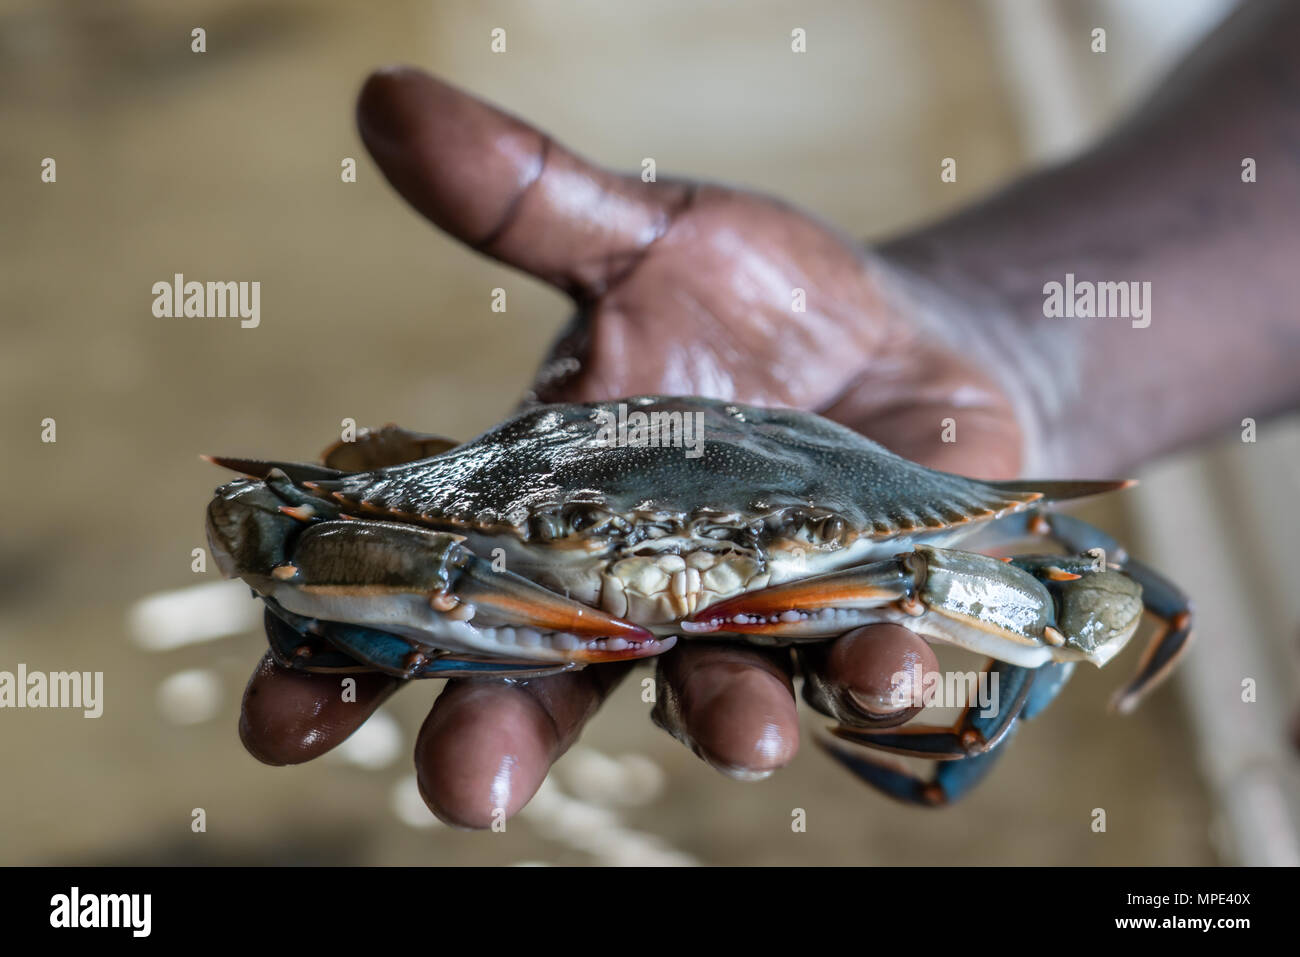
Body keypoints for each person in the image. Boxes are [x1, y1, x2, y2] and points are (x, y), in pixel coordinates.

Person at [237, 0, 1300, 827]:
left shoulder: (911, 556)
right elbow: (266, 525)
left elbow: (1091, 610)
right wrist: (1010, 353)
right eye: (575, 526)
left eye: (798, 536)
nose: (679, 584)